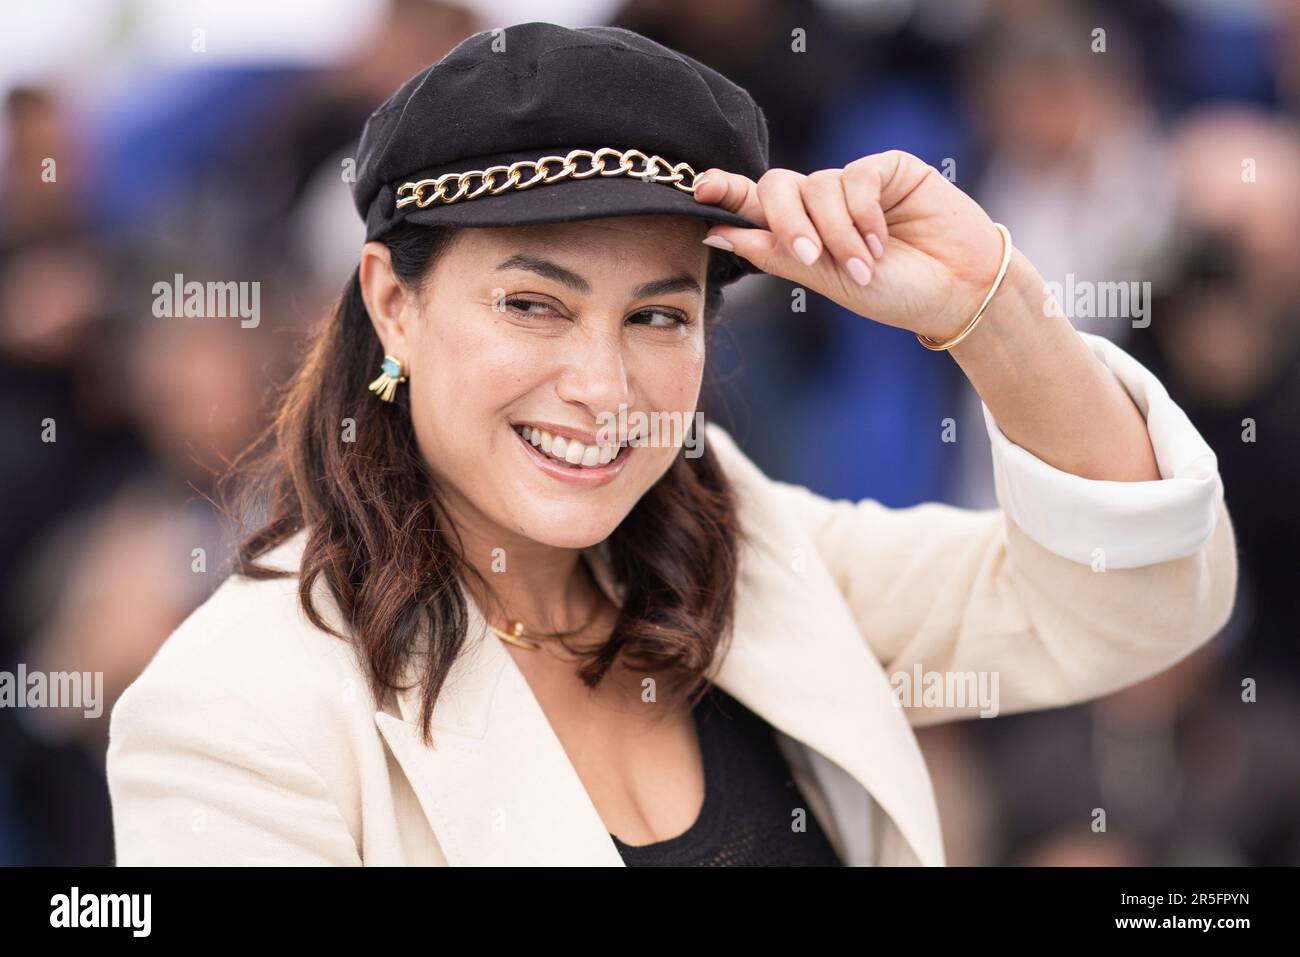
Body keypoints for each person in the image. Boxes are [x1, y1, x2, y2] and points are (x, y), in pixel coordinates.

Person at [105, 22, 1236, 867]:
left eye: (658, 316)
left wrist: (989, 310)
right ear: (392, 305)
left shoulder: (748, 554)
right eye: (532, 306)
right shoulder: (234, 710)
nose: (602, 389)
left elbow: (1125, 601)